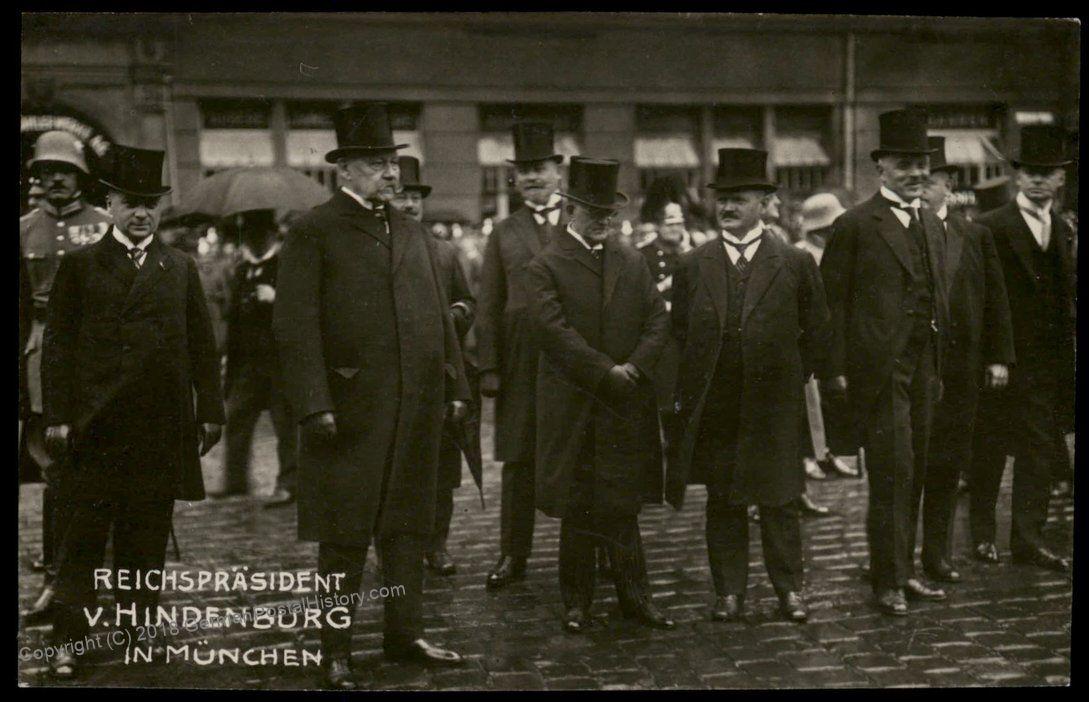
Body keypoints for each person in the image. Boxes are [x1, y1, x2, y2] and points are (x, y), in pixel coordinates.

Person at [273, 104, 470, 690]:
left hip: (414, 407)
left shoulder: (411, 231)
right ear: (345, 171)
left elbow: (438, 317)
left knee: (407, 528)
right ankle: (335, 649)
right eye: (378, 165)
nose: (392, 175)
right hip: (348, 411)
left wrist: (454, 385)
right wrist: (314, 403)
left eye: (393, 163)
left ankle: (403, 634)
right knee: (344, 536)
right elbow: (294, 325)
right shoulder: (314, 230)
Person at [41, 145, 224, 678]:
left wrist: (210, 410)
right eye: (130, 203)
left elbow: (201, 345)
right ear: (111, 203)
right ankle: (67, 641)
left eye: (151, 204)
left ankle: (139, 631)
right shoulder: (80, 266)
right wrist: (57, 416)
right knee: (83, 540)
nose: (141, 214)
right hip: (96, 426)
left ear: (160, 208)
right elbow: (58, 346)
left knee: (145, 540)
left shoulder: (178, 266)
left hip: (159, 428)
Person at [668, 148, 831, 624]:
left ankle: (789, 590)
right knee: (724, 499)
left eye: (740, 199)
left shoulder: (795, 262)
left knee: (780, 499)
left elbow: (817, 332)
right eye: (723, 199)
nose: (729, 207)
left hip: (775, 402)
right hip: (718, 403)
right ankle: (729, 592)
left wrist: (790, 379)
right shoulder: (693, 264)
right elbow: (680, 334)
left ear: (764, 202)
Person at [527, 157, 674, 633]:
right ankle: (577, 601)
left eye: (610, 214)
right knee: (579, 505)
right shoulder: (546, 265)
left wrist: (634, 366)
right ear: (570, 209)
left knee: (623, 504)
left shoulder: (631, 260)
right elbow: (552, 332)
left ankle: (637, 597)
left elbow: (657, 319)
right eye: (594, 212)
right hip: (577, 404)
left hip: (624, 399)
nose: (604, 222)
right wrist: (604, 370)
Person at [820, 109, 950, 616]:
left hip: (924, 368)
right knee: (892, 473)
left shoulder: (930, 224)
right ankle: (888, 580)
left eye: (921, 164)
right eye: (904, 165)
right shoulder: (855, 224)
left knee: (914, 470)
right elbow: (833, 303)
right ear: (882, 168)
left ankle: (904, 569)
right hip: (880, 372)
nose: (916, 173)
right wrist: (835, 372)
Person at [969, 125, 1075, 572]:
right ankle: (981, 535)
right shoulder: (991, 226)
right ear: (1017, 177)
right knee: (990, 447)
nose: (1036, 180)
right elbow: (982, 298)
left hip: (1049, 362)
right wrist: (995, 355)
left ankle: (1028, 539)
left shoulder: (1063, 228)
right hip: (1004, 361)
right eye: (1029, 172)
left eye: (1045, 173)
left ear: (1060, 180)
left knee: (1038, 451)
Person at [910, 136, 1015, 583]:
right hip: (912, 370)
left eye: (929, 179)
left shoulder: (974, 235)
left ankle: (937, 554)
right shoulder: (900, 231)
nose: (920, 188)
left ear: (948, 183)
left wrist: (998, 357)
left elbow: (995, 302)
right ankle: (894, 556)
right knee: (903, 465)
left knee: (947, 464)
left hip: (960, 369)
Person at [19, 131, 112, 627]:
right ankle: (58, 576)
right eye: (44, 171)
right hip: (40, 356)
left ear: (80, 177)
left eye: (64, 171)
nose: (54, 178)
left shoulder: (105, 225)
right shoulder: (23, 230)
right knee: (54, 471)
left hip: (95, 359)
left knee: (99, 464)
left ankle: (98, 566)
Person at [477, 122, 565, 590]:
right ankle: (514, 553)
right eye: (524, 171)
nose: (532, 177)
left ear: (558, 172)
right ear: (515, 179)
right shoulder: (503, 232)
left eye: (541, 169)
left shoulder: (578, 221)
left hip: (573, 360)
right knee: (519, 460)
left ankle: (592, 550)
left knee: (579, 453)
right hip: (521, 362)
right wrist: (489, 367)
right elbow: (488, 301)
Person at [391, 155, 479, 576]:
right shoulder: (380, 250)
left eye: (414, 197)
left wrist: (456, 314)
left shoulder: (443, 253)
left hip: (440, 375)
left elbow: (468, 301)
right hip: (394, 378)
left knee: (443, 470)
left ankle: (437, 545)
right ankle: (395, 545)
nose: (408, 205)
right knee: (396, 468)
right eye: (400, 196)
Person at [218, 209, 298, 507]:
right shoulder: (241, 270)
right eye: (249, 234)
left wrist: (275, 298)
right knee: (237, 417)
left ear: (272, 234)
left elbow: (301, 310)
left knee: (286, 425)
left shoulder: (288, 265)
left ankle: (290, 483)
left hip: (279, 362)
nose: (255, 240)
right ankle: (235, 481)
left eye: (261, 234)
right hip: (247, 363)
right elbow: (234, 319)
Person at [794, 194, 859, 488]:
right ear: (819, 230)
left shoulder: (840, 255)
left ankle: (828, 451)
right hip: (807, 341)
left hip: (835, 340)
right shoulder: (800, 256)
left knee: (833, 402)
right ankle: (806, 455)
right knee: (807, 402)